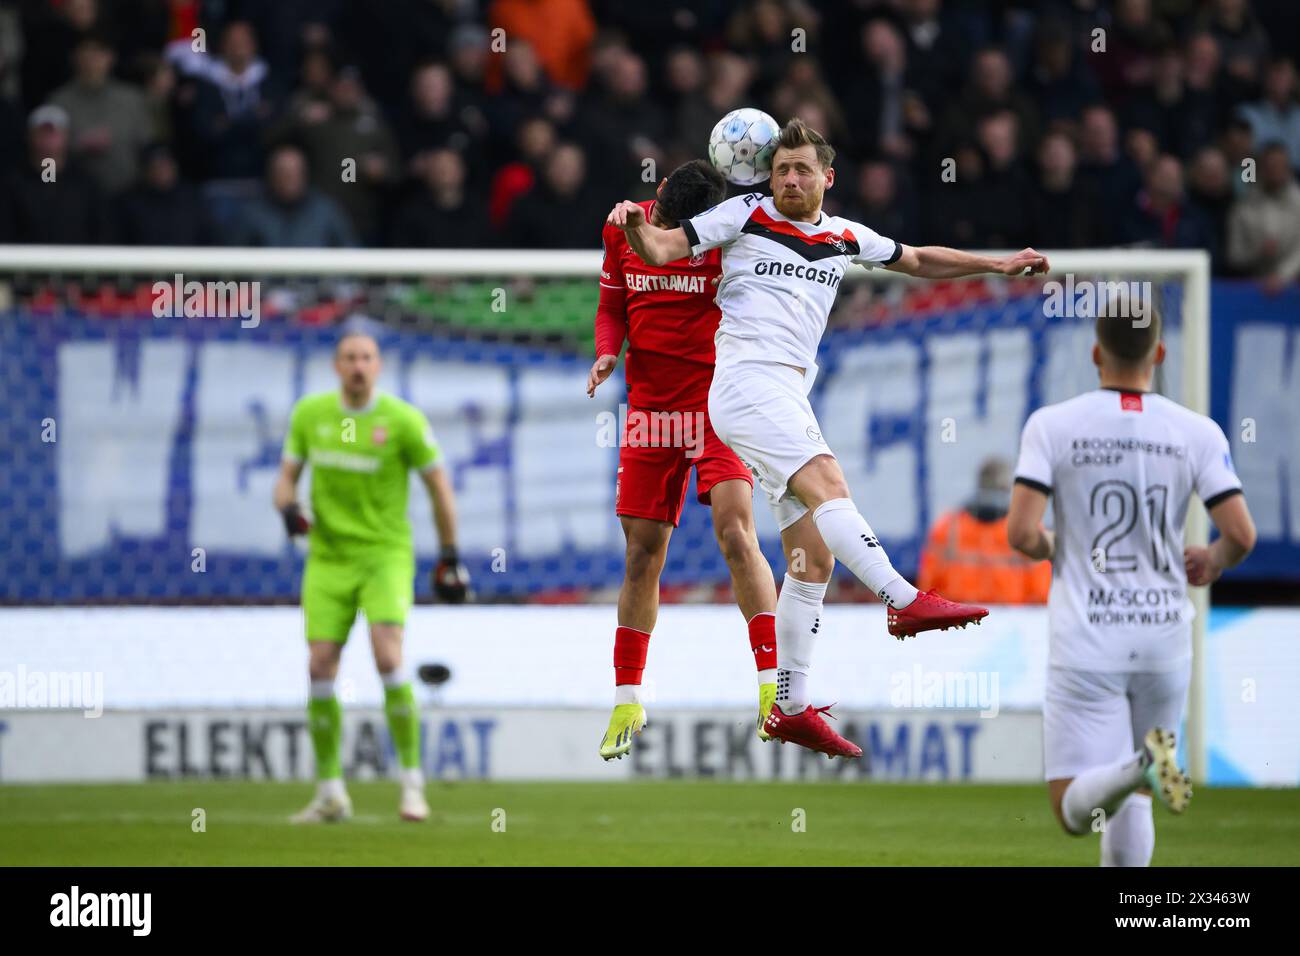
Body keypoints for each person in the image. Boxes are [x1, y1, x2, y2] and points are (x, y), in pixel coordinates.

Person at [606, 118, 1049, 756]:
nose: (790, 178)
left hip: (788, 395)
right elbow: (663, 249)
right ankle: (901, 598)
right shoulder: (744, 214)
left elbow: (919, 260)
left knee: (811, 558)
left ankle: (788, 704)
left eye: (802, 170)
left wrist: (998, 264)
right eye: (781, 168)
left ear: (826, 179)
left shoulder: (846, 236)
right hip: (746, 387)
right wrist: (633, 227)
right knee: (831, 486)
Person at [1007, 308, 1257, 866]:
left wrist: (1056, 545)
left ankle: (1141, 763)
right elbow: (1241, 533)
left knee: (1074, 810)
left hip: (1088, 638)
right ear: (1160, 355)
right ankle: (1144, 770)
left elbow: (1022, 534)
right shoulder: (1196, 431)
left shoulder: (1053, 425)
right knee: (1134, 802)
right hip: (1164, 637)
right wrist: (1213, 560)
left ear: (1095, 352)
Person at [587, 159, 786, 761]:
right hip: (649, 411)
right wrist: (605, 354)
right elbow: (611, 307)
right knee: (643, 554)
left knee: (735, 531)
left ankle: (771, 687)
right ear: (657, 197)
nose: (668, 231)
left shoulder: (728, 240)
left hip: (716, 407)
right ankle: (627, 698)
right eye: (665, 217)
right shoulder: (623, 228)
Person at [273, 331, 470, 823]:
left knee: (387, 656)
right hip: (328, 558)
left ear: (378, 365)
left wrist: (449, 555)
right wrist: (288, 509)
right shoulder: (310, 415)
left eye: (366, 357)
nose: (358, 366)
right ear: (336, 366)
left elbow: (439, 487)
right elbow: (284, 481)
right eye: (349, 358)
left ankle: (411, 784)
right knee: (319, 666)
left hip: (384, 555)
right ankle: (330, 793)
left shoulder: (402, 420)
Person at [917, 457, 1050, 605]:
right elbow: (1041, 593)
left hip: (962, 619)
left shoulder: (947, 528)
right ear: (1009, 489)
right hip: (1009, 620)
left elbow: (928, 589)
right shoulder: (1028, 530)